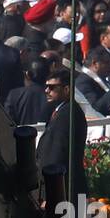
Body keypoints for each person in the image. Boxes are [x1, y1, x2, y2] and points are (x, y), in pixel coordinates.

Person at [37, 70, 88, 200]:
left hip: (62, 189)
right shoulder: (61, 111)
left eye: (52, 87)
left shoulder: (68, 114)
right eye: (46, 86)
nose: (47, 90)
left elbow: (57, 153)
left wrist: (50, 192)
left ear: (66, 89)